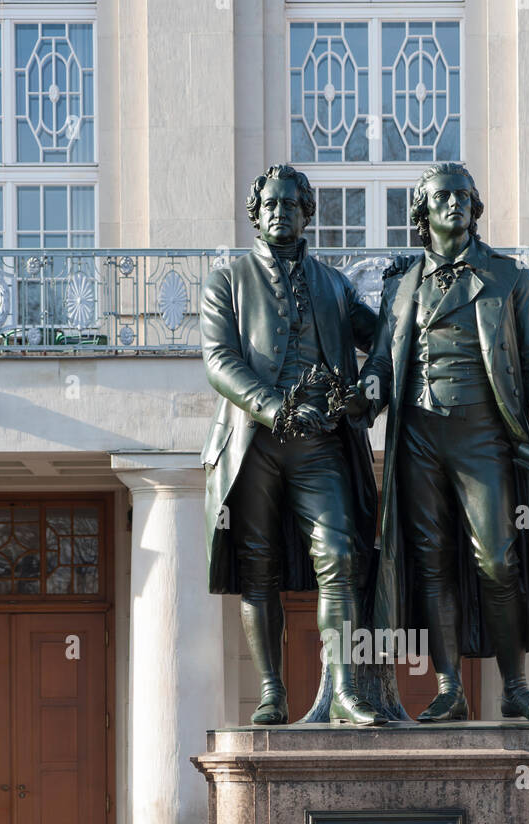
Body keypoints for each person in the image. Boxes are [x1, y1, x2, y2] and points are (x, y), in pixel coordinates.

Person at [348, 161, 529, 722]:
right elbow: (383, 359)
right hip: (419, 436)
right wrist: (369, 389)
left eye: (463, 197)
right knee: (431, 562)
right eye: (443, 197)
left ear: (475, 209)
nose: (455, 204)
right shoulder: (400, 286)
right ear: (423, 211)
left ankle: (514, 685)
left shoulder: (509, 278)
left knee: (498, 559)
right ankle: (449, 685)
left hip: (483, 432)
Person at [200, 163, 384, 726]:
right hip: (254, 441)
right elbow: (219, 361)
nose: (281, 213)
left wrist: (366, 394)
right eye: (271, 205)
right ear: (256, 214)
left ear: (308, 213)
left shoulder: (334, 284)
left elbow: (384, 339)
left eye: (291, 204)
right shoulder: (226, 280)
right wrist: (273, 406)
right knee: (259, 568)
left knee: (341, 555)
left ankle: (346, 692)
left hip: (321, 442)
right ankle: (272, 691)